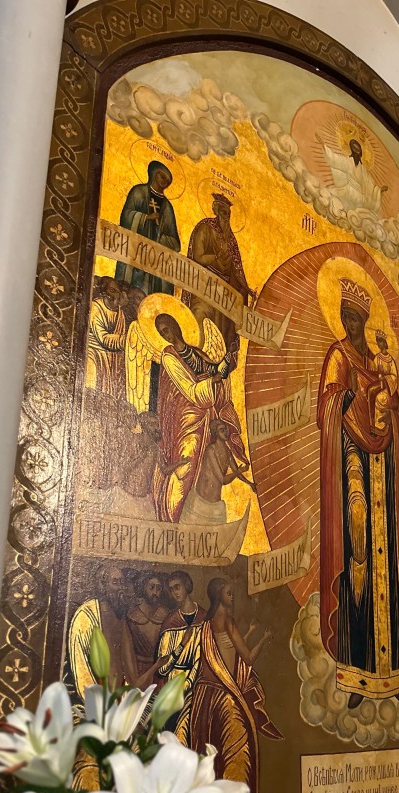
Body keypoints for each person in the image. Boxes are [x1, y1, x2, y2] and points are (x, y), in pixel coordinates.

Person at [317, 277, 399, 709]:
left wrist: (387, 404)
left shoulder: (378, 360)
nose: (349, 324)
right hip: (353, 460)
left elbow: (395, 412)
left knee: (385, 559)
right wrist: (350, 396)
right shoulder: (338, 356)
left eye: (355, 318)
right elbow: (326, 406)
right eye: (345, 317)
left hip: (382, 469)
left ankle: (394, 675)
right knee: (358, 548)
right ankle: (356, 675)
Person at [176, 576, 281, 793]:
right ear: (219, 596)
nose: (232, 596)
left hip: (204, 699)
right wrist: (264, 638)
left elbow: (225, 652)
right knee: (237, 750)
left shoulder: (205, 626)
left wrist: (251, 631)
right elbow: (245, 657)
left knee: (211, 754)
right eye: (228, 592)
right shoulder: (228, 622)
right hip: (224, 698)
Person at [152, 313, 250, 522]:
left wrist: (228, 358)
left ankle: (198, 520)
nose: (166, 335)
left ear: (175, 325)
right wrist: (211, 381)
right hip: (187, 419)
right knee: (185, 466)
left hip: (208, 416)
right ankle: (171, 517)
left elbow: (217, 373)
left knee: (210, 467)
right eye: (161, 333)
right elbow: (190, 389)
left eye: (166, 329)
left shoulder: (196, 353)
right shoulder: (169, 357)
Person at [182, 192, 255, 352]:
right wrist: (216, 257)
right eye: (223, 213)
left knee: (224, 333)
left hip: (224, 293)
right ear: (216, 211)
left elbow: (237, 268)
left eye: (228, 214)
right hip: (204, 286)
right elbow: (198, 256)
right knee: (199, 315)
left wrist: (246, 289)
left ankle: (216, 368)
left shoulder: (231, 240)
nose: (226, 217)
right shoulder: (205, 228)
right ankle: (195, 355)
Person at [66, 565, 138, 699]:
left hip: (122, 699)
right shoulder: (86, 615)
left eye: (122, 582)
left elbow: (128, 662)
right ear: (102, 586)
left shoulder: (120, 615)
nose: (121, 588)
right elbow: (80, 662)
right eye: (115, 582)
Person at [115, 160, 181, 295]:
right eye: (162, 176)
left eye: (168, 181)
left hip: (155, 261)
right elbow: (126, 217)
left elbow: (175, 243)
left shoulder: (167, 207)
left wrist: (159, 239)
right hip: (134, 253)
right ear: (153, 174)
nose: (165, 182)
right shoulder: (139, 192)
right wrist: (145, 218)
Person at [180, 418, 256, 525]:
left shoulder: (228, 452)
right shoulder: (211, 450)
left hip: (214, 505)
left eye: (226, 429)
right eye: (222, 430)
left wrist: (250, 483)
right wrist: (239, 471)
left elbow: (236, 472)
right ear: (216, 433)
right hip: (199, 503)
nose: (226, 432)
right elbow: (223, 480)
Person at [155, 571, 207, 702]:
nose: (175, 593)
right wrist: (181, 645)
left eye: (177, 587)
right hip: (173, 686)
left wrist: (190, 682)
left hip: (199, 686)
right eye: (171, 590)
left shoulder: (205, 619)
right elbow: (161, 669)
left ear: (187, 586)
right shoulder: (170, 622)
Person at [322, 137, 388, 214]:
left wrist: (379, 191)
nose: (356, 152)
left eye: (358, 150)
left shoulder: (363, 170)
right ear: (352, 150)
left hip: (360, 198)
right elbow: (335, 159)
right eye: (354, 149)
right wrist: (325, 148)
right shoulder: (347, 162)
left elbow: (369, 185)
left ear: (360, 153)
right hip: (348, 192)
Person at [86, 277, 127, 398]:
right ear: (103, 292)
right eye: (112, 291)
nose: (115, 295)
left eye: (118, 292)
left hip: (111, 360)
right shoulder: (95, 307)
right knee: (91, 388)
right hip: (93, 353)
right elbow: (103, 338)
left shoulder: (120, 314)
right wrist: (128, 339)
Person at [125, 572, 167, 680]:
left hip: (161, 670)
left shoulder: (166, 615)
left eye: (159, 588)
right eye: (151, 587)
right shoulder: (131, 616)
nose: (155, 592)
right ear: (143, 588)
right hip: (137, 669)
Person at [371, 328, 398, 435]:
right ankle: (374, 424)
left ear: (385, 343)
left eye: (381, 341)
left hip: (387, 388)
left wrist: (385, 378)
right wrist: (378, 376)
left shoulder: (391, 360)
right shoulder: (376, 358)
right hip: (377, 385)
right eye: (377, 341)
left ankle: (383, 428)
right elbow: (372, 372)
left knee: (381, 398)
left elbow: (394, 376)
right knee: (372, 396)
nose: (379, 343)